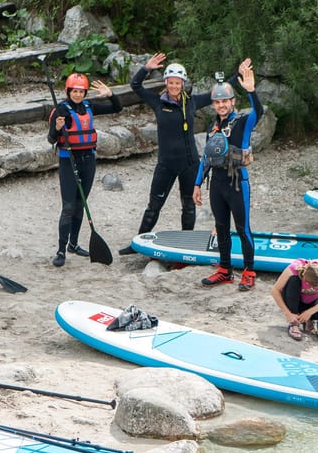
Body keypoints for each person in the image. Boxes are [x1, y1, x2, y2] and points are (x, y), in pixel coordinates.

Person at [118, 52, 240, 255]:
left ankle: (186, 244)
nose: (174, 86)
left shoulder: (191, 102)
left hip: (189, 163)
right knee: (153, 206)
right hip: (165, 163)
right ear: (166, 83)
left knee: (188, 207)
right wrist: (146, 68)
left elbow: (220, 92)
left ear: (183, 83)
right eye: (171, 83)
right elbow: (135, 86)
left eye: (178, 83)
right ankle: (137, 243)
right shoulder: (158, 102)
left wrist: (238, 75)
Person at [193, 58, 261, 291]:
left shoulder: (242, 123)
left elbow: (257, 112)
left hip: (237, 183)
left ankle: (249, 271)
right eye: (217, 101)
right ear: (214, 104)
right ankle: (224, 270)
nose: (221, 105)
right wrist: (197, 184)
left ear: (233, 102)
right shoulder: (213, 128)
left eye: (225, 101)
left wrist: (251, 91)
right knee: (221, 227)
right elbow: (205, 158)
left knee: (243, 228)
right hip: (218, 184)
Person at [47, 72, 123, 267]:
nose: (78, 95)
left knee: (80, 204)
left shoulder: (89, 107)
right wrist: (57, 127)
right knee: (68, 207)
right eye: (75, 91)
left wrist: (110, 94)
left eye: (82, 91)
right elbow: (51, 139)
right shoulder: (61, 110)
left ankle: (74, 244)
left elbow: (117, 107)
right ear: (68, 91)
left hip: (88, 159)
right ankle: (61, 250)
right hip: (68, 160)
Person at [271, 258, 318, 340]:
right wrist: (287, 313)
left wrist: (310, 312)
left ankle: (308, 319)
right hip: (293, 300)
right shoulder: (294, 268)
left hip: (311, 301)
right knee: (294, 280)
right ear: (307, 282)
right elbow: (275, 290)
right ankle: (294, 323)